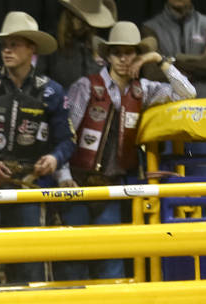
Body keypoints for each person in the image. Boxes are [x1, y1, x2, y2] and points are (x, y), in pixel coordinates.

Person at [55, 22, 195, 280]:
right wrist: (63, 177)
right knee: (74, 259)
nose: (122, 59)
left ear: (137, 55)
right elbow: (66, 132)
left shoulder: (144, 89)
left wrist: (159, 61)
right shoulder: (86, 86)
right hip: (78, 183)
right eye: (117, 52)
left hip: (112, 187)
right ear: (108, 56)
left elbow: (187, 93)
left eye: (129, 52)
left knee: (112, 257)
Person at [0, 11, 74, 285]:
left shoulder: (51, 91)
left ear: (32, 48)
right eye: (4, 44)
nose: (7, 50)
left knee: (30, 258)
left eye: (14, 44)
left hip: (30, 187)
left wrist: (54, 159)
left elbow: (67, 139)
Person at [140, 0, 206, 99]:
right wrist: (201, 66)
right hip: (168, 108)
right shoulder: (150, 28)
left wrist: (173, 60)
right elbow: (152, 73)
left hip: (205, 105)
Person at [42, 0, 116, 90]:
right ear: (71, 17)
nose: (86, 27)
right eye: (83, 21)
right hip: (59, 101)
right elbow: (40, 78)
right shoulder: (52, 44)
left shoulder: (98, 46)